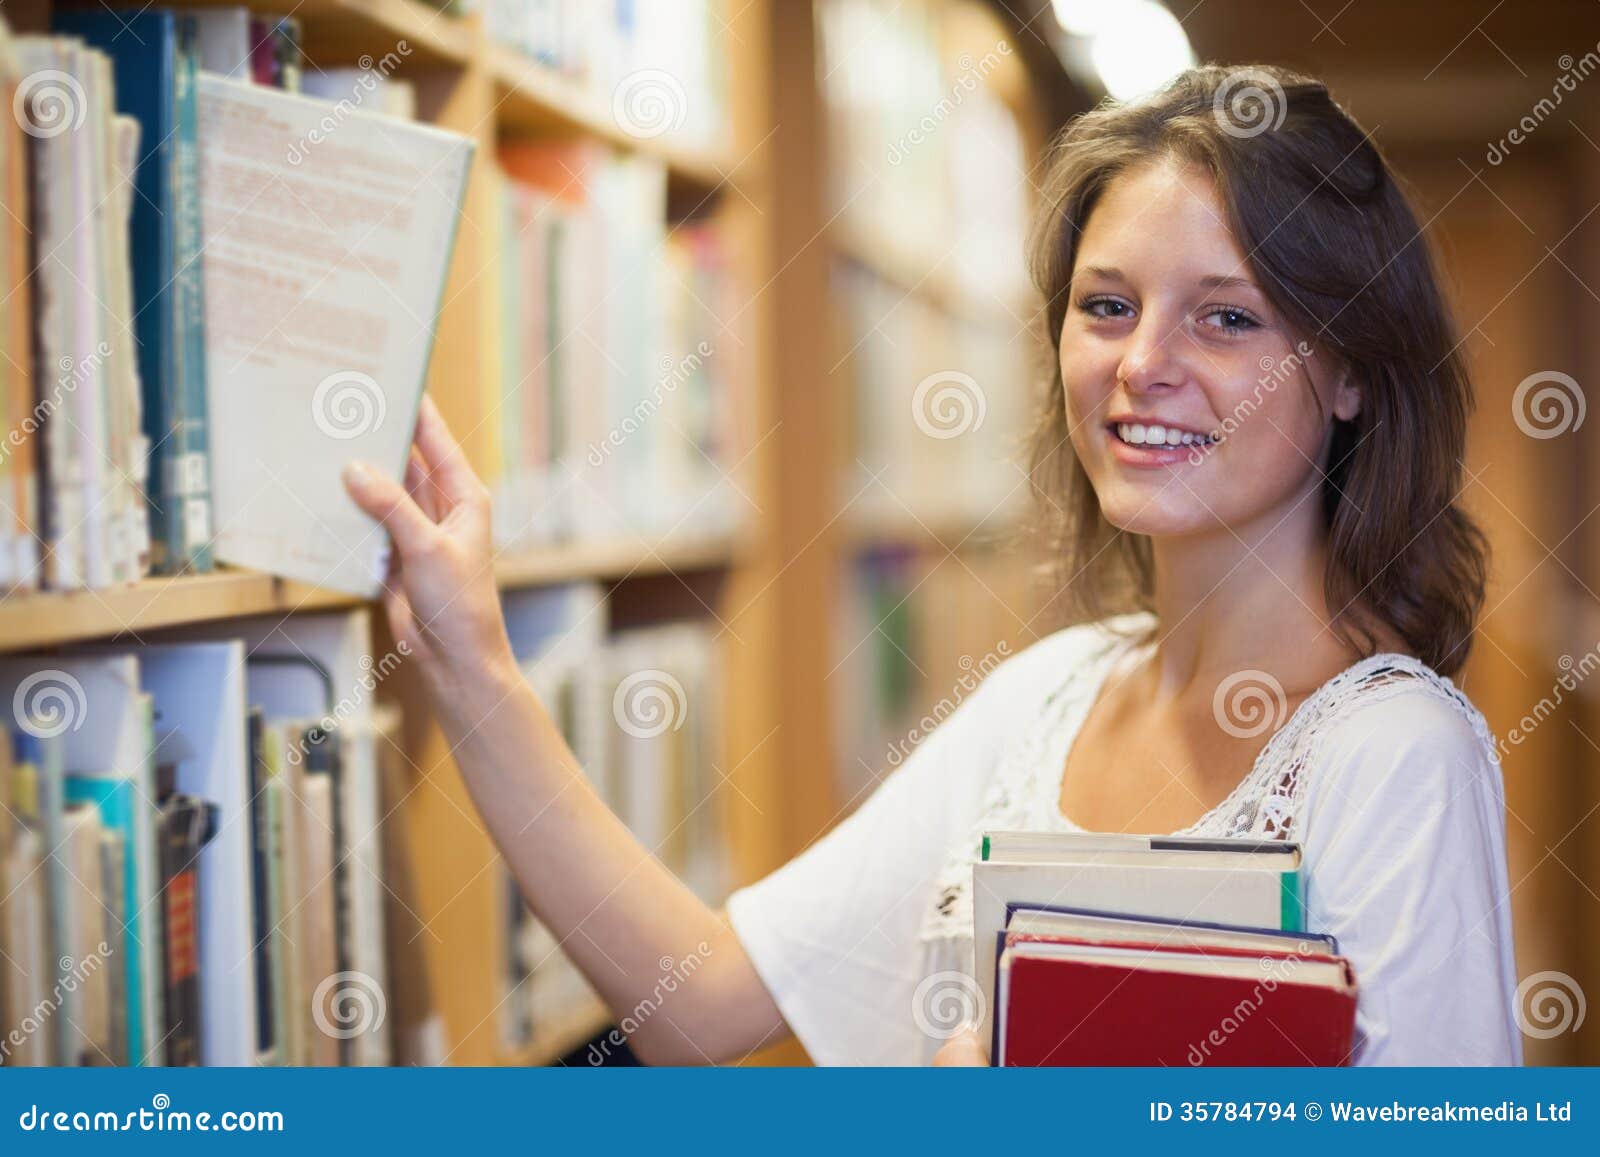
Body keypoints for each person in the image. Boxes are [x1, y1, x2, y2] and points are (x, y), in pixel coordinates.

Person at [342, 64, 1523, 1067]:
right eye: (1105, 305)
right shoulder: (1043, 699)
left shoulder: (1389, 755)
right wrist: (472, 662)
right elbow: (698, 998)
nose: (1141, 363)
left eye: (1227, 319)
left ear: (1356, 369)